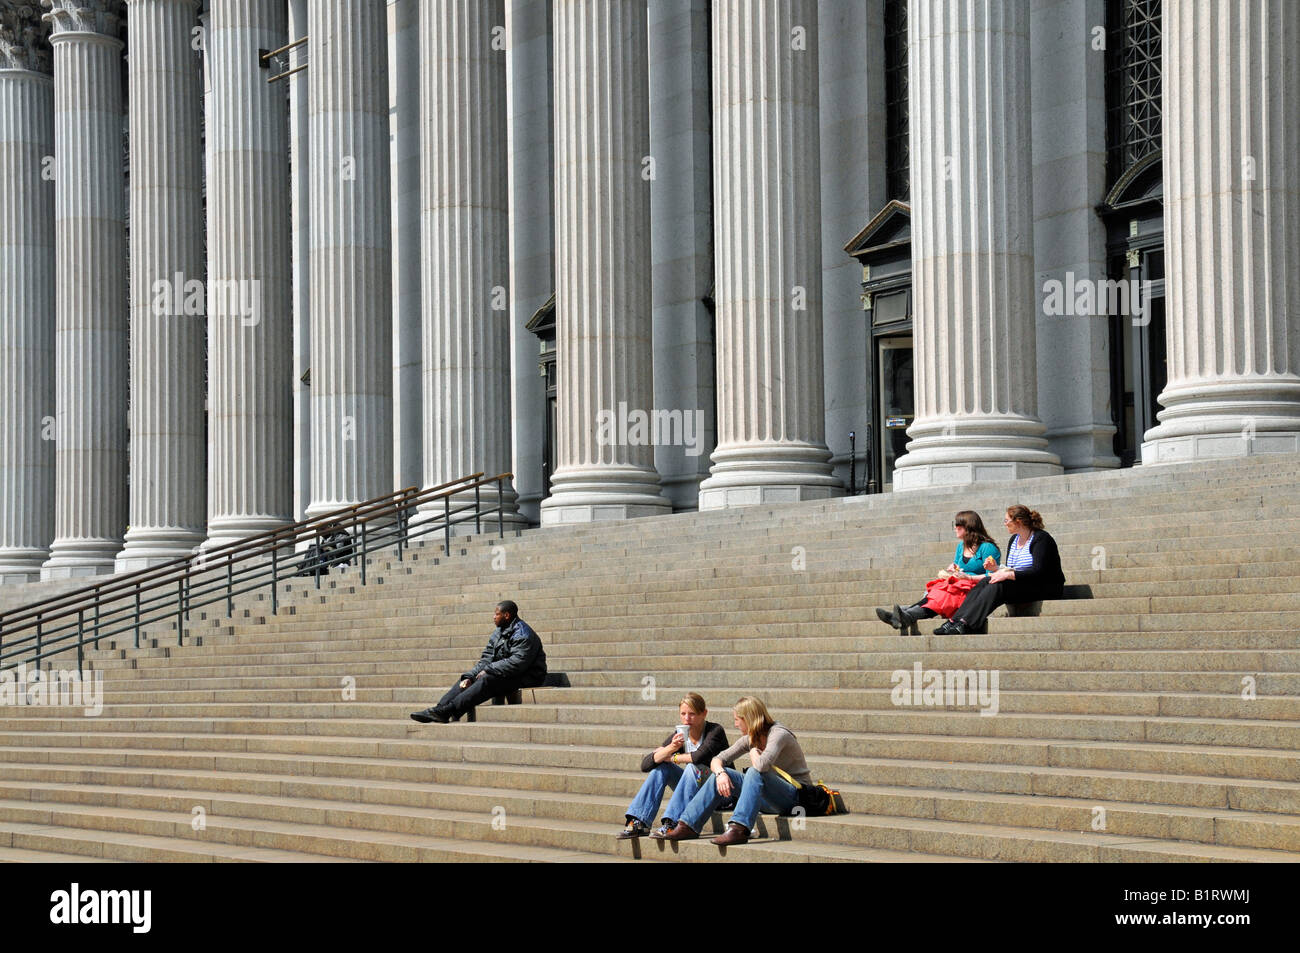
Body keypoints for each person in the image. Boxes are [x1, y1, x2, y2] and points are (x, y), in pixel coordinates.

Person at [659, 696, 813, 847]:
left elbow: (761, 767)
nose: (735, 724)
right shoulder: (750, 737)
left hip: (794, 797)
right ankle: (688, 826)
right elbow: (717, 759)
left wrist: (753, 749)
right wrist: (720, 774)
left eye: (737, 720)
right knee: (722, 773)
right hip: (768, 799)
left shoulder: (778, 734)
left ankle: (739, 828)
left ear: (749, 719)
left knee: (753, 772)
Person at [616, 693, 732, 839]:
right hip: (694, 787)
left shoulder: (715, 731)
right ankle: (640, 822)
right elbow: (646, 765)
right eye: (683, 714)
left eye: (692, 714)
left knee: (691, 767)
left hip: (721, 792)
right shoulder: (680, 734)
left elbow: (698, 757)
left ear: (704, 713)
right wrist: (670, 747)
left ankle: (673, 823)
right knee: (661, 769)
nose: (686, 718)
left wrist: (671, 756)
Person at [937, 504, 1065, 635]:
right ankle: (955, 620)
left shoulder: (1041, 538)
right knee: (986, 581)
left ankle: (966, 623)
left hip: (1044, 587)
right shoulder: (1014, 539)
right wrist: (996, 568)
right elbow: (1012, 568)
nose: (1004, 524)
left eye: (1006, 521)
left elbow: (1039, 571)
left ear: (1018, 521)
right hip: (1022, 584)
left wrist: (1007, 575)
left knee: (996, 586)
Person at [410, 600, 546, 723]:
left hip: (528, 676)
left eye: (497, 614)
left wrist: (488, 669)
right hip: (505, 672)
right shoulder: (498, 632)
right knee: (467, 679)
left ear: (507, 615)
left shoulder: (523, 634)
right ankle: (438, 709)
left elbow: (517, 663)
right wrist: (470, 676)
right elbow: (487, 658)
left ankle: (448, 711)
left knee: (488, 679)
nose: (494, 617)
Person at [875, 510, 1000, 635]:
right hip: (957, 585)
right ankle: (905, 615)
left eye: (958, 525)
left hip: (973, 589)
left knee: (941, 596)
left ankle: (904, 615)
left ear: (968, 527)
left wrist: (968, 577)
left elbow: (992, 576)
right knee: (936, 591)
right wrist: (954, 569)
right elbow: (959, 568)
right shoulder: (961, 547)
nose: (955, 528)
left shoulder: (987, 547)